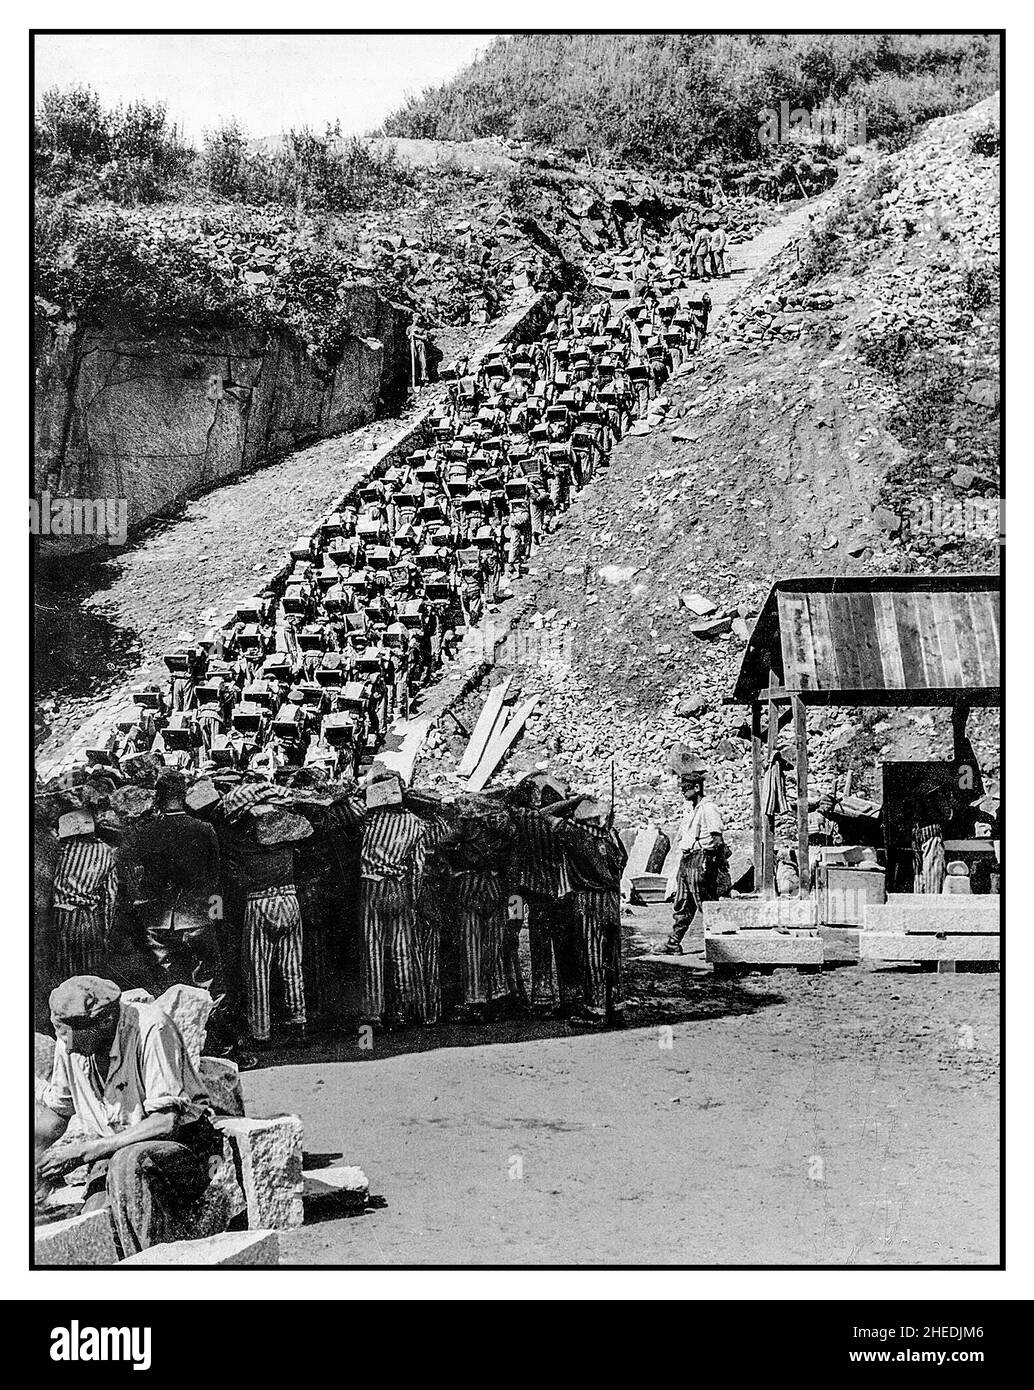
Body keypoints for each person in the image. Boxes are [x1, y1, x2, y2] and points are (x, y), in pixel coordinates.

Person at [35, 976, 221, 1257]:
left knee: (129, 1163)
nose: (67, 1046)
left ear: (105, 1023)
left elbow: (166, 1122)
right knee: (95, 1225)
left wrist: (85, 1151)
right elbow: (54, 1116)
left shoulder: (151, 1028)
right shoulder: (69, 1043)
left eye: (68, 1034)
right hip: (113, 1157)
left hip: (189, 1153)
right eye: (60, 1033)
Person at [129, 770, 233, 1054]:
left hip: (158, 922)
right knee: (210, 984)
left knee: (168, 986)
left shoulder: (145, 833)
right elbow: (215, 879)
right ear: (184, 795)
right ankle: (217, 1047)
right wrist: (216, 916)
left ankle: (172, 1050)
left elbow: (138, 878)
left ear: (158, 798)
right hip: (198, 917)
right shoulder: (203, 829)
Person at [662, 754, 729, 954]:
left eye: (686, 789)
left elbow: (717, 840)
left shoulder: (709, 809)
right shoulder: (690, 809)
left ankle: (719, 946)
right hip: (688, 860)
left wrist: (713, 865)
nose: (683, 792)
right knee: (683, 903)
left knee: (706, 904)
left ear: (697, 788)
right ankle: (673, 943)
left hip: (701, 861)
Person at [51, 809, 118, 979]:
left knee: (65, 975)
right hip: (90, 919)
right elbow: (110, 896)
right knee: (92, 976)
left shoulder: (59, 851)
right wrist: (105, 930)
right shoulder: (107, 852)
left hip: (60, 918)